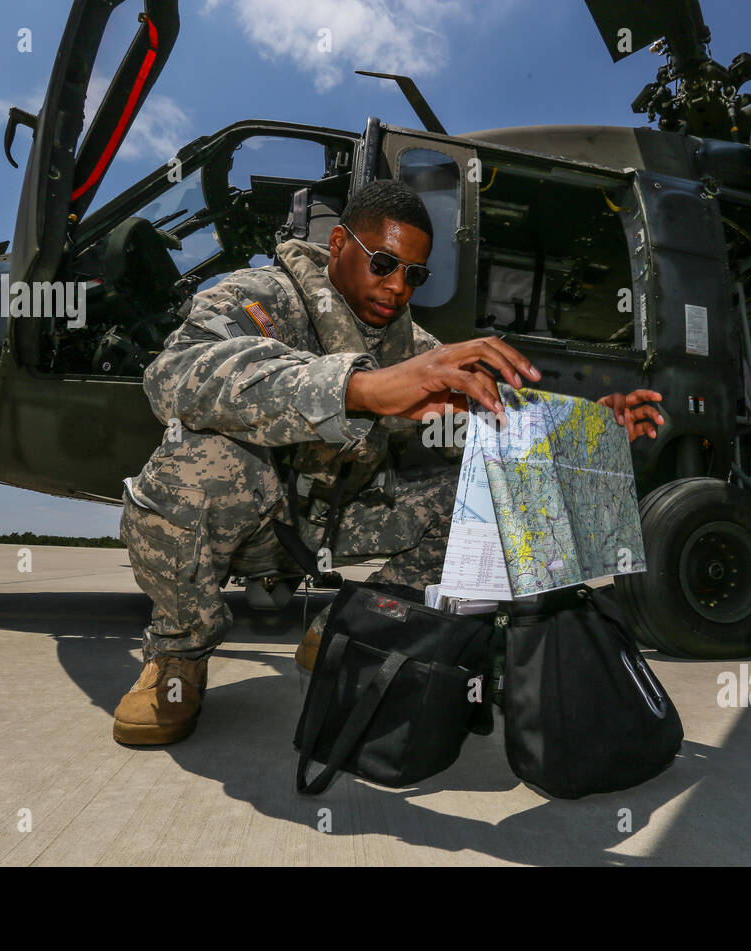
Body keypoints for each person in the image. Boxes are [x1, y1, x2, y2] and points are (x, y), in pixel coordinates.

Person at [115, 179, 664, 744]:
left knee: (480, 495)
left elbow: (489, 428)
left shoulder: (407, 342)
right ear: (337, 246)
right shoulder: (261, 297)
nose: (398, 286)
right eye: (383, 264)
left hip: (332, 520)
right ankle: (178, 653)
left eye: (414, 274)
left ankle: (348, 628)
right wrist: (362, 389)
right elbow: (173, 377)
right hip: (246, 518)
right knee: (193, 461)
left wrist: (586, 427)